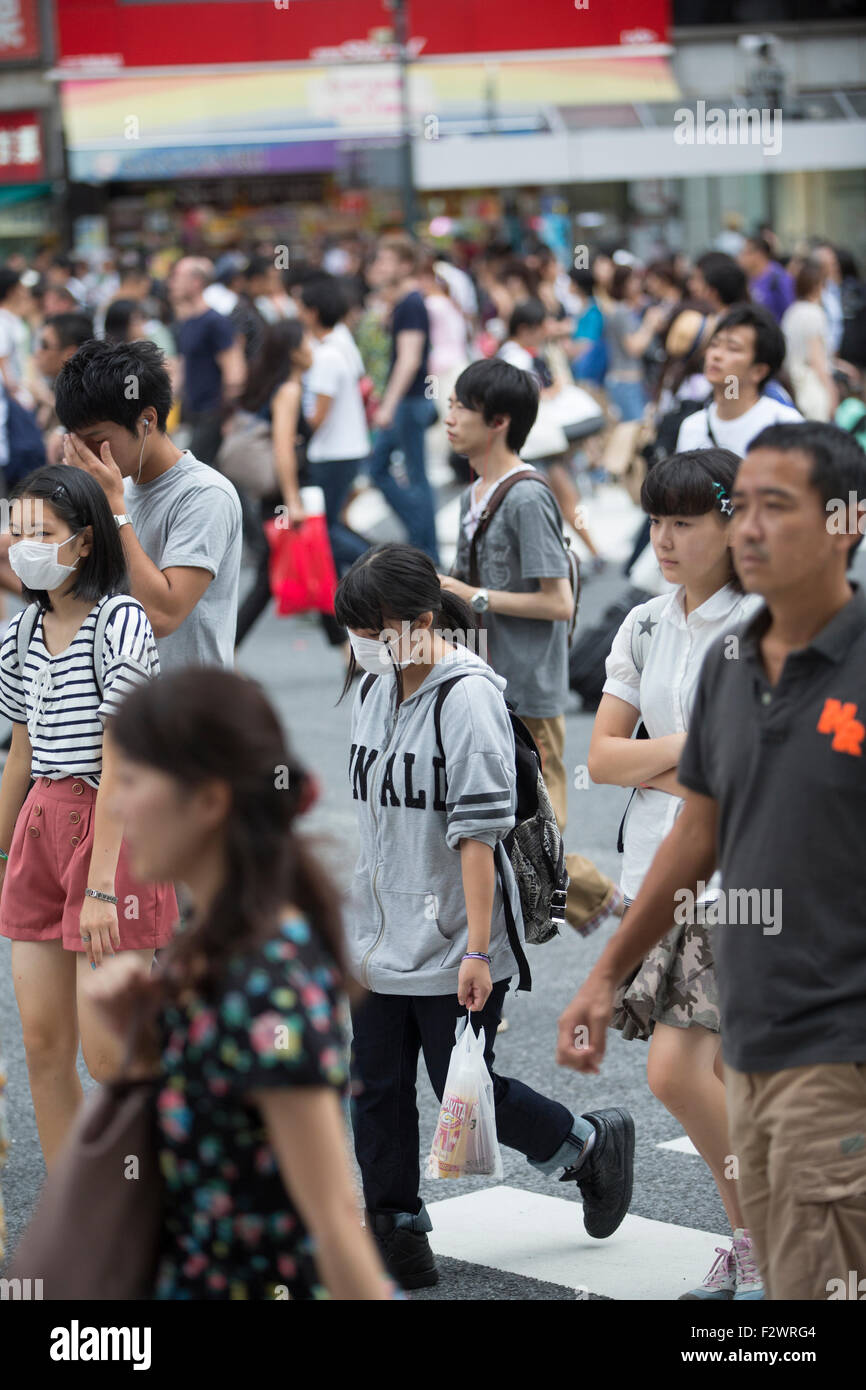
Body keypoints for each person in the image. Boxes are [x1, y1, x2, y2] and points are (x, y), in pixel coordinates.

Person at [557, 420, 866, 1300]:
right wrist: (602, 977)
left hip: (825, 997)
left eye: (775, 507)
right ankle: (758, 1244)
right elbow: (687, 814)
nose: (750, 528)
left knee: (819, 1230)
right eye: (745, 506)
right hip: (720, 934)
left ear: (845, 522)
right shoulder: (712, 652)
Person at [335, 542, 635, 1291]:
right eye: (354, 630)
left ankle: (585, 1148)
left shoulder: (466, 698)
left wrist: (476, 950)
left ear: (421, 622)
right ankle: (395, 1226)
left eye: (373, 630)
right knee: (375, 1087)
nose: (360, 644)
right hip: (376, 941)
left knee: (464, 1091)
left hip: (455, 938)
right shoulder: (374, 687)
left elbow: (477, 835)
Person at [82, 667, 395, 1300]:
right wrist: (142, 1042)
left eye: (132, 780)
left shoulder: (269, 987)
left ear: (208, 801)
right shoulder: (212, 942)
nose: (112, 805)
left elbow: (333, 1222)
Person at [589, 448, 764, 1300]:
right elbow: (601, 756)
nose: (663, 538)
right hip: (659, 875)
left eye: (684, 522)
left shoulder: (765, 623)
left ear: (732, 527)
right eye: (656, 520)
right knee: (727, 1079)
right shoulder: (644, 623)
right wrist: (694, 758)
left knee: (676, 1070)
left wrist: (667, 763)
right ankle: (760, 1240)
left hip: (745, 880)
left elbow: (754, 768)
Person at [0, 465, 177, 1165]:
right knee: (44, 1045)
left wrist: (102, 886)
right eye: (16, 531)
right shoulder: (18, 633)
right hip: (40, 825)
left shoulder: (119, 621)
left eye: (40, 532)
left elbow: (121, 760)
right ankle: (78, 1211)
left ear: (83, 541)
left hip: (112, 830)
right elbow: (20, 754)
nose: (22, 546)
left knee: (112, 1057)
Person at [442, 359, 621, 935]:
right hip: (485, 686)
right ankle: (603, 902)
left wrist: (472, 595)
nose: (449, 417)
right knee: (500, 828)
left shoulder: (525, 497)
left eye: (462, 407)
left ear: (498, 422)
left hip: (529, 695)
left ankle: (615, 904)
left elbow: (559, 601)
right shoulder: (474, 493)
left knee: (534, 832)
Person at [54, 338, 243, 671]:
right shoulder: (116, 487)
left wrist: (112, 506)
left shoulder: (206, 494)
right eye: (74, 441)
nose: (85, 455)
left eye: (96, 440)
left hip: (184, 698)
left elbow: (161, 616)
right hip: (114, 695)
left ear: (147, 421)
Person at [232, 320, 316, 647]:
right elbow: (283, 448)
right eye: (307, 343)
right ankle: (227, 647)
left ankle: (342, 647)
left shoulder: (281, 386)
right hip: (282, 496)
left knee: (299, 566)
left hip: (278, 495)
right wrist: (293, 501)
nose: (312, 350)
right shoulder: (289, 391)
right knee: (274, 574)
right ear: (293, 352)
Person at [365, 238, 440, 565]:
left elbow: (409, 359)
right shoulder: (404, 301)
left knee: (398, 472)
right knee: (398, 471)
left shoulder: (411, 302)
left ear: (405, 265)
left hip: (408, 402)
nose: (380, 267)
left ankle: (425, 545)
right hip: (409, 401)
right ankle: (423, 542)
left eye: (387, 260)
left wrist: (388, 405)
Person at [297, 275, 371, 575]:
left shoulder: (326, 356)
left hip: (333, 453)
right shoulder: (337, 346)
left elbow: (317, 417)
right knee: (332, 525)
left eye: (300, 308)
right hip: (344, 449)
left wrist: (292, 435)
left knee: (325, 531)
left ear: (312, 312)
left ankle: (379, 567)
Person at [675, 304, 801, 455]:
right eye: (714, 344)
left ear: (759, 371)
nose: (716, 355)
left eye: (733, 348)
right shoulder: (692, 427)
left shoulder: (784, 425)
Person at [169, 257, 246, 465]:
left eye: (177, 277)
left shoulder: (215, 322)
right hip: (193, 412)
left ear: (196, 282)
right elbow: (182, 368)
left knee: (193, 467)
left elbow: (235, 372)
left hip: (213, 413)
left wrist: (228, 416)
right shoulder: (187, 323)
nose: (172, 283)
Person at [603, 265, 667, 422]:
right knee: (635, 428)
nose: (638, 284)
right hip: (625, 381)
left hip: (635, 381)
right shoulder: (621, 311)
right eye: (632, 280)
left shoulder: (634, 310)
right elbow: (634, 348)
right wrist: (649, 323)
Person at [781, 260, 837, 423]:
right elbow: (816, 359)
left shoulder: (792, 311)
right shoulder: (814, 313)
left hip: (795, 383)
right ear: (817, 285)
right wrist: (832, 392)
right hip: (813, 388)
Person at [737, 236, 794, 325]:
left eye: (745, 253)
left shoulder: (779, 279)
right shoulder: (746, 278)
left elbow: (789, 311)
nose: (740, 257)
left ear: (759, 254)